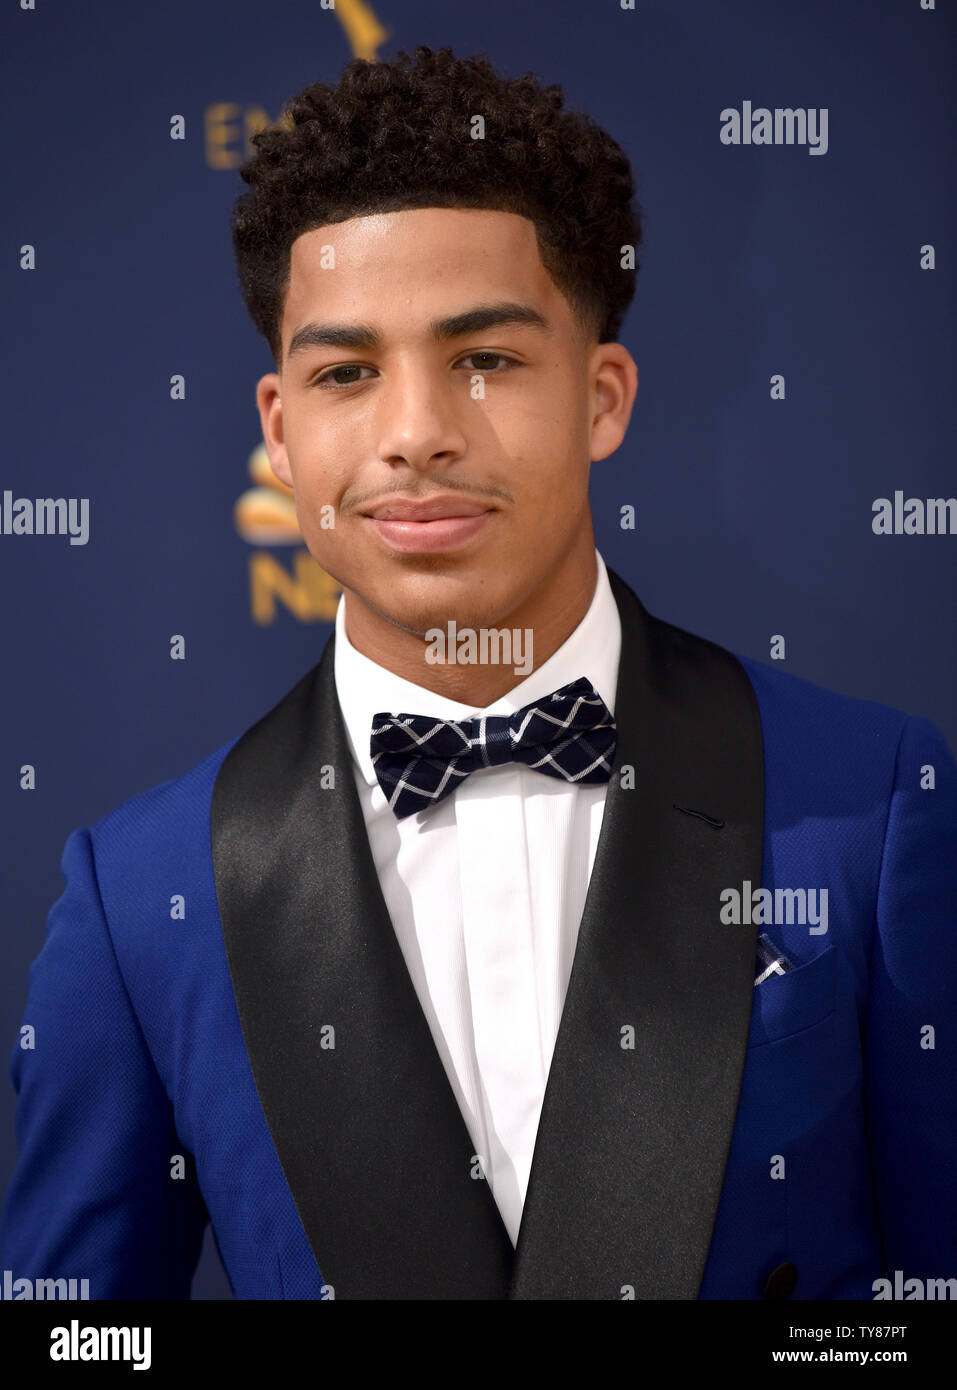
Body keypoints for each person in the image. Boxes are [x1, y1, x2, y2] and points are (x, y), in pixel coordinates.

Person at [2, 45, 955, 1302]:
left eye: (487, 359)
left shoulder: (880, 806)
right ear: (281, 435)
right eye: (347, 373)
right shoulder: (139, 899)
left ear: (603, 397)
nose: (414, 435)